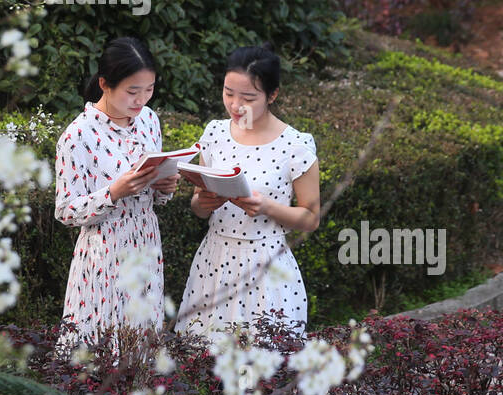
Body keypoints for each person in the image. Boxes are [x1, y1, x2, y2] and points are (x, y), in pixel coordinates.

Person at [174, 43, 319, 340]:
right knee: (203, 359)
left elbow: (311, 218)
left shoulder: (296, 145)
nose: (236, 105)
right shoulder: (214, 132)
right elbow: (199, 209)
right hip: (213, 262)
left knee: (264, 362)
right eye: (228, 93)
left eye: (248, 97)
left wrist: (267, 207)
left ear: (272, 95)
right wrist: (203, 202)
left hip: (266, 265)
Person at [54, 36, 179, 350]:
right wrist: (112, 193)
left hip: (147, 244)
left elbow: (155, 193)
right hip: (104, 253)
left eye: (149, 90)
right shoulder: (77, 135)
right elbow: (66, 210)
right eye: (132, 91)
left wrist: (164, 188)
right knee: (100, 345)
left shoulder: (149, 121)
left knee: (141, 346)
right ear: (105, 84)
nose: (141, 100)